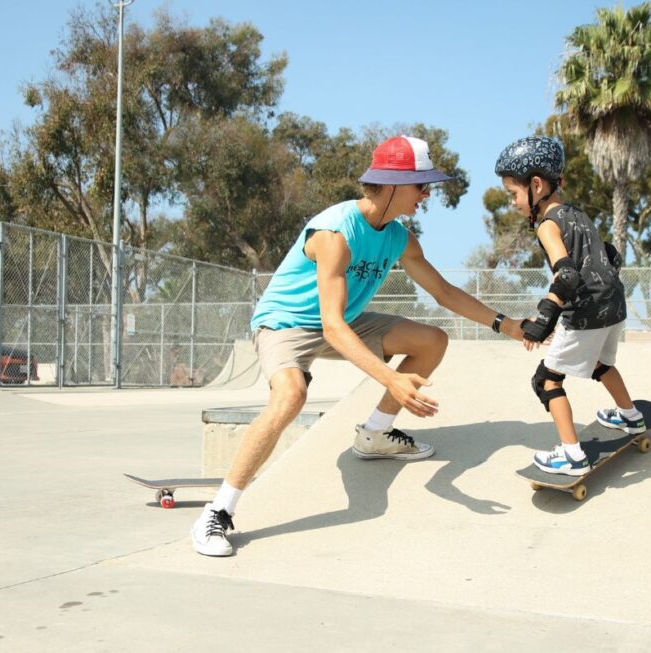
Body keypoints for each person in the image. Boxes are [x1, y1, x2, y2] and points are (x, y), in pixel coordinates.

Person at [192, 135, 526, 556]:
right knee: (291, 396)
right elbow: (330, 327)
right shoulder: (336, 232)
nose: (426, 194)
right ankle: (217, 512)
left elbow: (442, 291)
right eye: (421, 185)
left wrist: (505, 323)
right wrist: (392, 378)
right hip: (287, 325)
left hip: (343, 321)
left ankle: (374, 434)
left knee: (432, 341)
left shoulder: (399, 237)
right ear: (390, 185)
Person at [494, 136, 644, 476]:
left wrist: (545, 320)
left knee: (546, 380)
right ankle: (631, 417)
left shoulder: (548, 225)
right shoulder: (578, 215)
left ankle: (572, 454)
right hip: (614, 305)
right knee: (600, 364)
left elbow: (566, 275)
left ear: (536, 185)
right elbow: (610, 257)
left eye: (513, 194)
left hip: (586, 314)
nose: (513, 203)